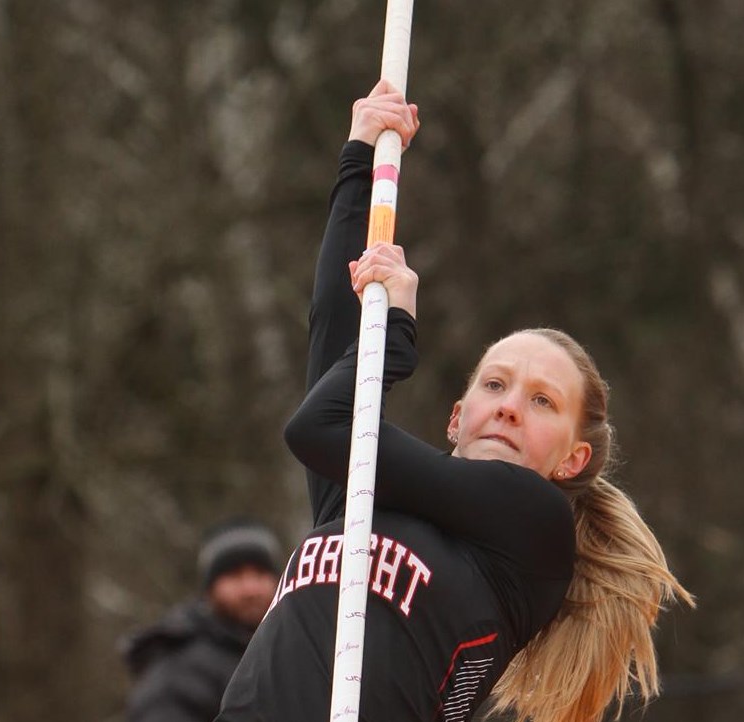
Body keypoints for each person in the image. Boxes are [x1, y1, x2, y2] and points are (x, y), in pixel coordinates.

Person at [216, 81, 694, 722]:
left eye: (543, 401)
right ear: (456, 417)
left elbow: (318, 426)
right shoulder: (361, 498)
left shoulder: (531, 527)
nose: (509, 406)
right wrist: (361, 159)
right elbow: (334, 332)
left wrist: (397, 334)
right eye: (494, 385)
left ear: (573, 460)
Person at [122, 518, 282, 722]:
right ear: (210, 588)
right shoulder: (177, 671)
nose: (250, 589)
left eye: (259, 574)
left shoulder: (292, 647)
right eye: (235, 576)